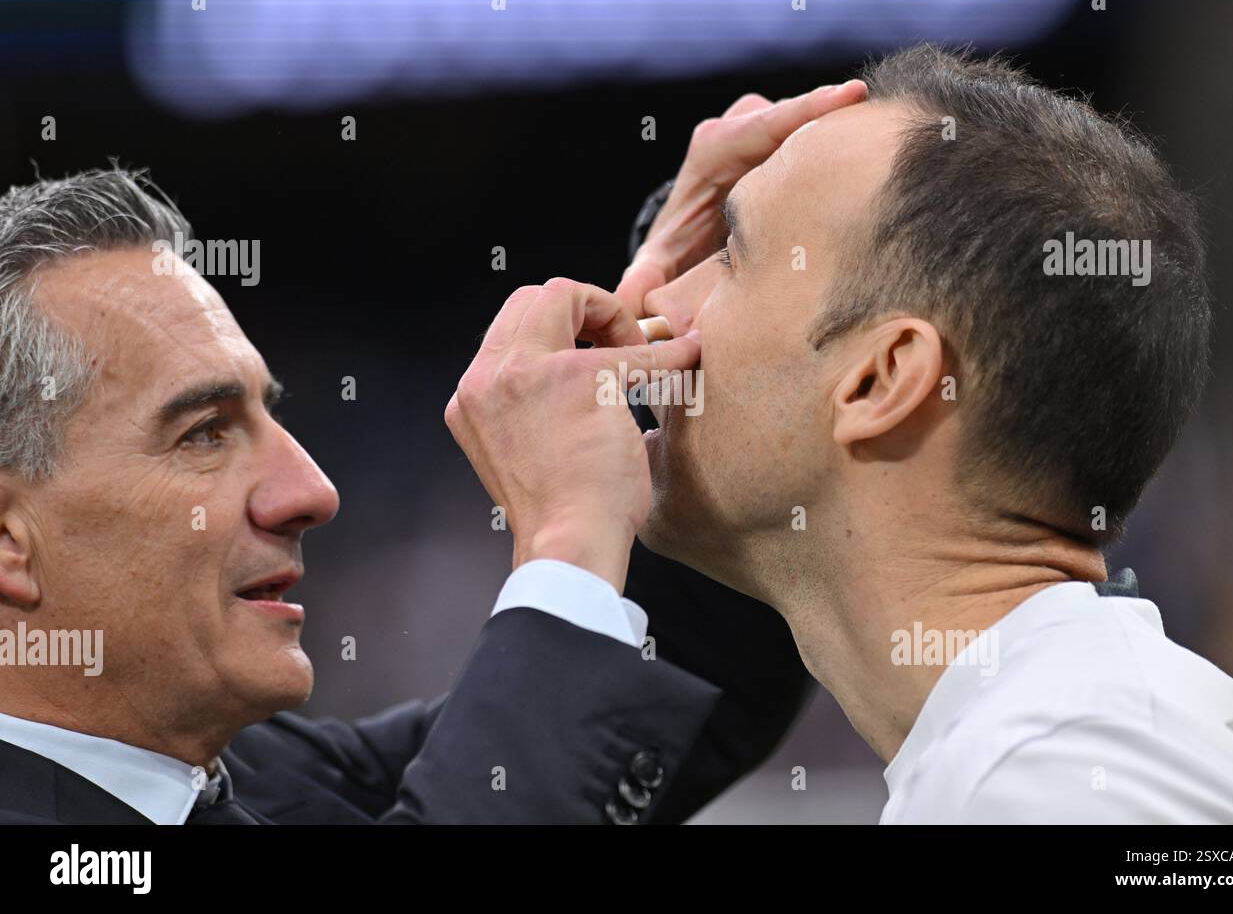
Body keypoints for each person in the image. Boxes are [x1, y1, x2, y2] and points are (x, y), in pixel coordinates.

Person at [447, 45, 1233, 823]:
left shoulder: (1071, 765)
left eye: (732, 255)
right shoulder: (1050, 739)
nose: (651, 310)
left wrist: (563, 553)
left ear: (881, 379)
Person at [0, 79, 863, 824]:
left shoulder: (249, 779)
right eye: (203, 434)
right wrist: (564, 538)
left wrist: (699, 356)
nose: (311, 491)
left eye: (270, 417)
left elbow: (659, 692)